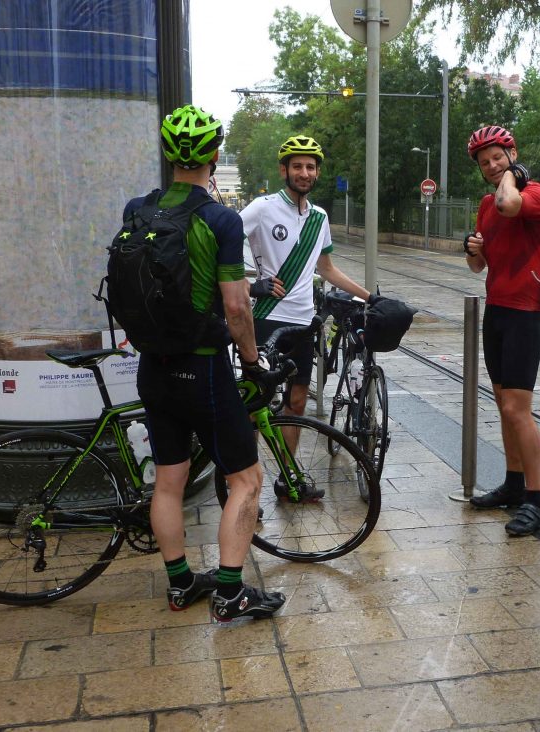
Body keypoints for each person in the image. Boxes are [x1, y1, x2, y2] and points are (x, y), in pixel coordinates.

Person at [126, 104, 285, 623]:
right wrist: (253, 362)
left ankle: (179, 586)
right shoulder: (220, 219)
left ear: (169, 155)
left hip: (154, 366)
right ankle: (232, 592)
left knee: (168, 481)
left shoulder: (138, 209)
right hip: (204, 369)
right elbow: (237, 306)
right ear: (214, 156)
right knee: (247, 479)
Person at [240, 135, 371, 502]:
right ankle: (243, 492)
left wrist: (370, 296)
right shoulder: (263, 208)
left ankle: (287, 479)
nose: (304, 172)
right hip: (266, 319)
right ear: (284, 170)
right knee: (254, 406)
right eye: (297, 166)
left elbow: (326, 268)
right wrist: (251, 282)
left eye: (310, 166)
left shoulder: (319, 217)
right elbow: (221, 240)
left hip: (302, 321)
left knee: (296, 402)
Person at [462, 125, 540, 537]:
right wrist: (474, 251)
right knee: (503, 404)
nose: (491, 166)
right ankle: (514, 484)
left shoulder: (536, 194)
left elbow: (509, 204)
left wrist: (511, 175)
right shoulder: (486, 203)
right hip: (497, 309)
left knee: (519, 408)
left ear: (513, 153)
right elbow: (479, 267)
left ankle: (535, 500)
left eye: (498, 157)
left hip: (527, 311)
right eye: (484, 163)